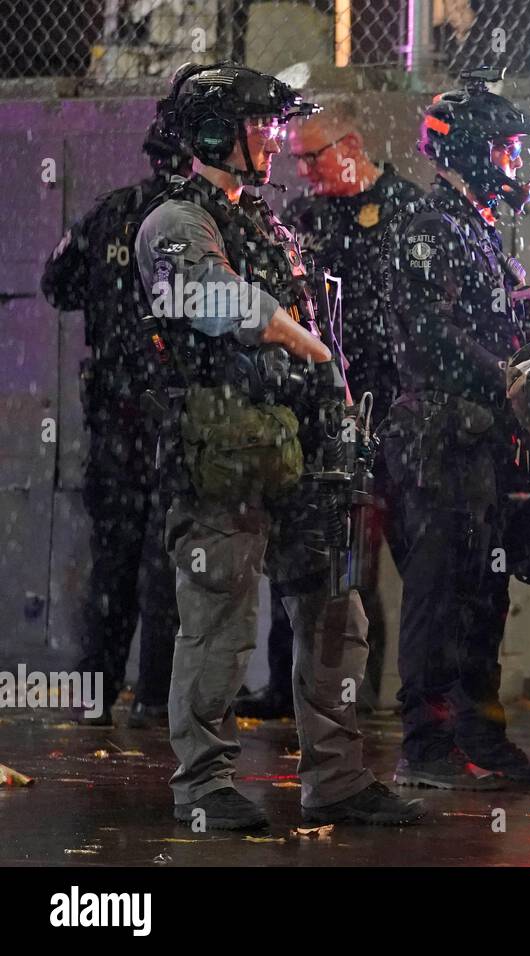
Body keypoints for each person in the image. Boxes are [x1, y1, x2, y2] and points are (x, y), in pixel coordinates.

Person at [134, 61, 423, 829]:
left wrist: (337, 407)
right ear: (211, 134)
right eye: (255, 124)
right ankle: (202, 783)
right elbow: (206, 296)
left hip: (298, 451)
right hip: (224, 456)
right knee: (220, 622)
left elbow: (316, 331)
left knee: (337, 611)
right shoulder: (175, 221)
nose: (270, 138)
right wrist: (301, 342)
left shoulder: (264, 221)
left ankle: (336, 774)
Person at [380, 66, 530, 790]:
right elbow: (431, 337)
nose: (515, 162)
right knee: (437, 594)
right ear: (470, 152)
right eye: (505, 149)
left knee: (485, 592)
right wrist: (509, 376)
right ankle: (426, 748)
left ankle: (481, 740)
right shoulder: (430, 232)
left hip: (485, 446)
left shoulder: (485, 234)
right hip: (438, 443)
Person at [234, 103, 424, 719]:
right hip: (321, 408)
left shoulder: (404, 210)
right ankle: (289, 691)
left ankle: (361, 695)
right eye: (297, 159)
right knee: (306, 556)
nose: (305, 169)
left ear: (351, 143)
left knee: (380, 565)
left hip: (392, 411)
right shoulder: (304, 218)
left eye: (314, 156)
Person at [40, 69, 198, 729]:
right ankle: (156, 699)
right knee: (167, 559)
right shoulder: (198, 224)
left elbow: (58, 285)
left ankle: (96, 694)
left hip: (117, 415)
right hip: (173, 412)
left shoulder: (110, 213)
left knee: (114, 557)